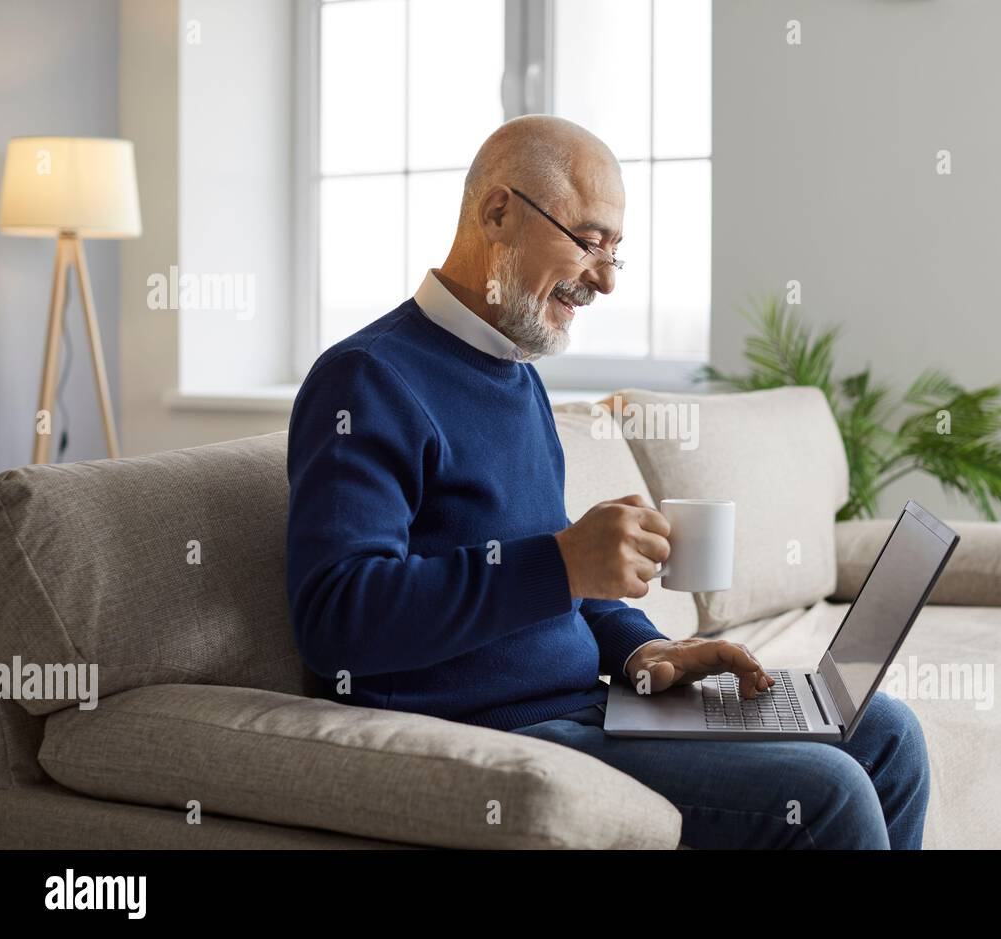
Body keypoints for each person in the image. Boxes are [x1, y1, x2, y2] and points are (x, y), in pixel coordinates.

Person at [286, 115, 929, 848]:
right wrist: (560, 563)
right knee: (829, 794)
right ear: (497, 212)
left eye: (617, 250)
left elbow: (555, 591)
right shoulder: (367, 379)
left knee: (886, 734)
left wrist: (646, 651)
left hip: (596, 704)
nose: (607, 278)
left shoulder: (516, 377)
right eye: (590, 240)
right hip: (501, 734)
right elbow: (334, 619)